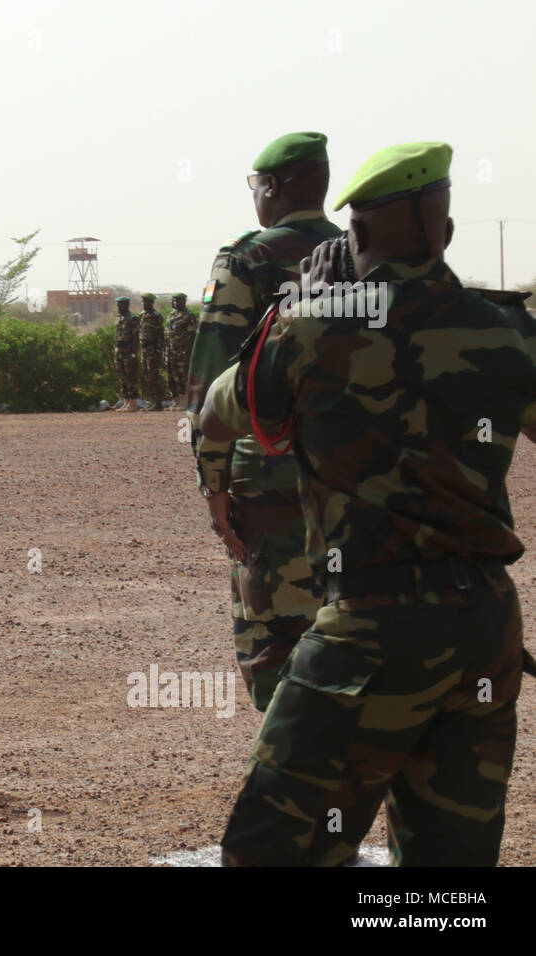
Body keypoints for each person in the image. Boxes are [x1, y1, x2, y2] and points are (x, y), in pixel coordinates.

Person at [201, 141, 536, 866]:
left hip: (370, 632)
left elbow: (221, 411)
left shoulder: (309, 328)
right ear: (446, 232)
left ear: (353, 235)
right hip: (484, 628)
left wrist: (300, 306)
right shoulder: (508, 330)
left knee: (268, 852)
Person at [187, 131, 343, 712]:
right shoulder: (364, 251)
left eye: (256, 185)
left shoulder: (247, 258)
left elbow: (212, 384)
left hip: (271, 478)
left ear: (273, 186)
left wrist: (213, 484)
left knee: (276, 642)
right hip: (359, 477)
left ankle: (293, 754)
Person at [164, 293, 196, 404]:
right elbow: (167, 333)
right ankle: (176, 400)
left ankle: (186, 401)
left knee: (183, 376)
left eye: (179, 300)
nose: (176, 303)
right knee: (173, 376)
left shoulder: (189, 315)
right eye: (175, 300)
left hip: (182, 351)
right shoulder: (171, 315)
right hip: (171, 351)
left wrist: (187, 353)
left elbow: (192, 335)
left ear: (184, 301)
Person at [137, 292, 166, 410]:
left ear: (152, 302)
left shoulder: (156, 316)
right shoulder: (142, 315)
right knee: (147, 376)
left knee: (154, 376)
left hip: (153, 349)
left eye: (146, 302)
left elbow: (160, 335)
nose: (144, 304)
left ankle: (157, 402)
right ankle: (152, 401)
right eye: (143, 301)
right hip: (144, 349)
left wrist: (158, 350)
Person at [113, 295, 140, 412]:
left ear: (127, 305)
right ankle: (126, 401)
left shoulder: (132, 318)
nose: (119, 307)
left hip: (128, 351)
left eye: (121, 305)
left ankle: (133, 403)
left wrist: (134, 354)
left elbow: (135, 337)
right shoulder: (119, 317)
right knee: (122, 377)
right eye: (118, 305)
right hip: (119, 351)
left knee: (130, 377)